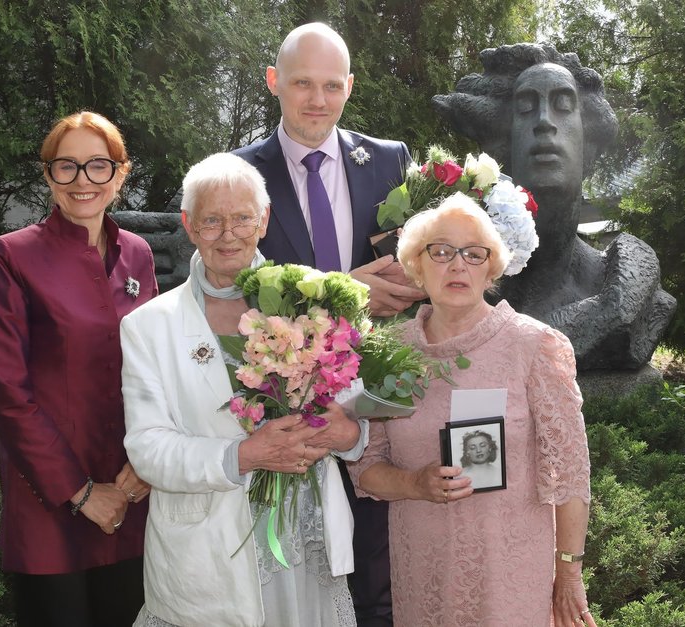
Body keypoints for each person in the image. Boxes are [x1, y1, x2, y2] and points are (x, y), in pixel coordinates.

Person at [120, 152, 367, 627]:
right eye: (211, 220)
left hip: (305, 540)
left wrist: (351, 437)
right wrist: (244, 456)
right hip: (211, 554)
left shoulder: (312, 298)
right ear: (189, 225)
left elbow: (352, 404)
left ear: (264, 220)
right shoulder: (148, 326)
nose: (227, 233)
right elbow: (148, 449)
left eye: (241, 218)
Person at [234, 22, 423, 625]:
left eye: (331, 86)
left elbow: (416, 267)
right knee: (302, 568)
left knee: (380, 567)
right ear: (274, 83)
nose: (317, 100)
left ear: (349, 87)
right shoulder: (238, 173)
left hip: (377, 397)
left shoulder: (390, 162)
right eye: (302, 84)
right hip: (288, 399)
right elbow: (240, 281)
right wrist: (348, 289)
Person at [349, 193, 597, 627]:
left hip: (512, 578)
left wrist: (569, 573)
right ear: (416, 265)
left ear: (491, 267)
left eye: (473, 253)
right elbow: (365, 468)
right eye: (441, 252)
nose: (457, 265)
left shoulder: (535, 346)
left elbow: (570, 473)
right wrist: (414, 482)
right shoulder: (387, 353)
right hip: (423, 572)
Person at [0, 111, 157, 627]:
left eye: (98, 166)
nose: (83, 181)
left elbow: (158, 367)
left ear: (121, 174)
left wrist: (146, 463)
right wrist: (79, 493)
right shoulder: (12, 257)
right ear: (47, 175)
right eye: (67, 167)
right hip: (49, 504)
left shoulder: (138, 256)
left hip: (129, 494)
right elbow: (7, 392)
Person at [433, 43, 676, 371]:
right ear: (505, 137)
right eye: (525, 107)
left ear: (587, 134)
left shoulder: (621, 280)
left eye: (563, 104)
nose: (545, 122)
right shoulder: (456, 285)